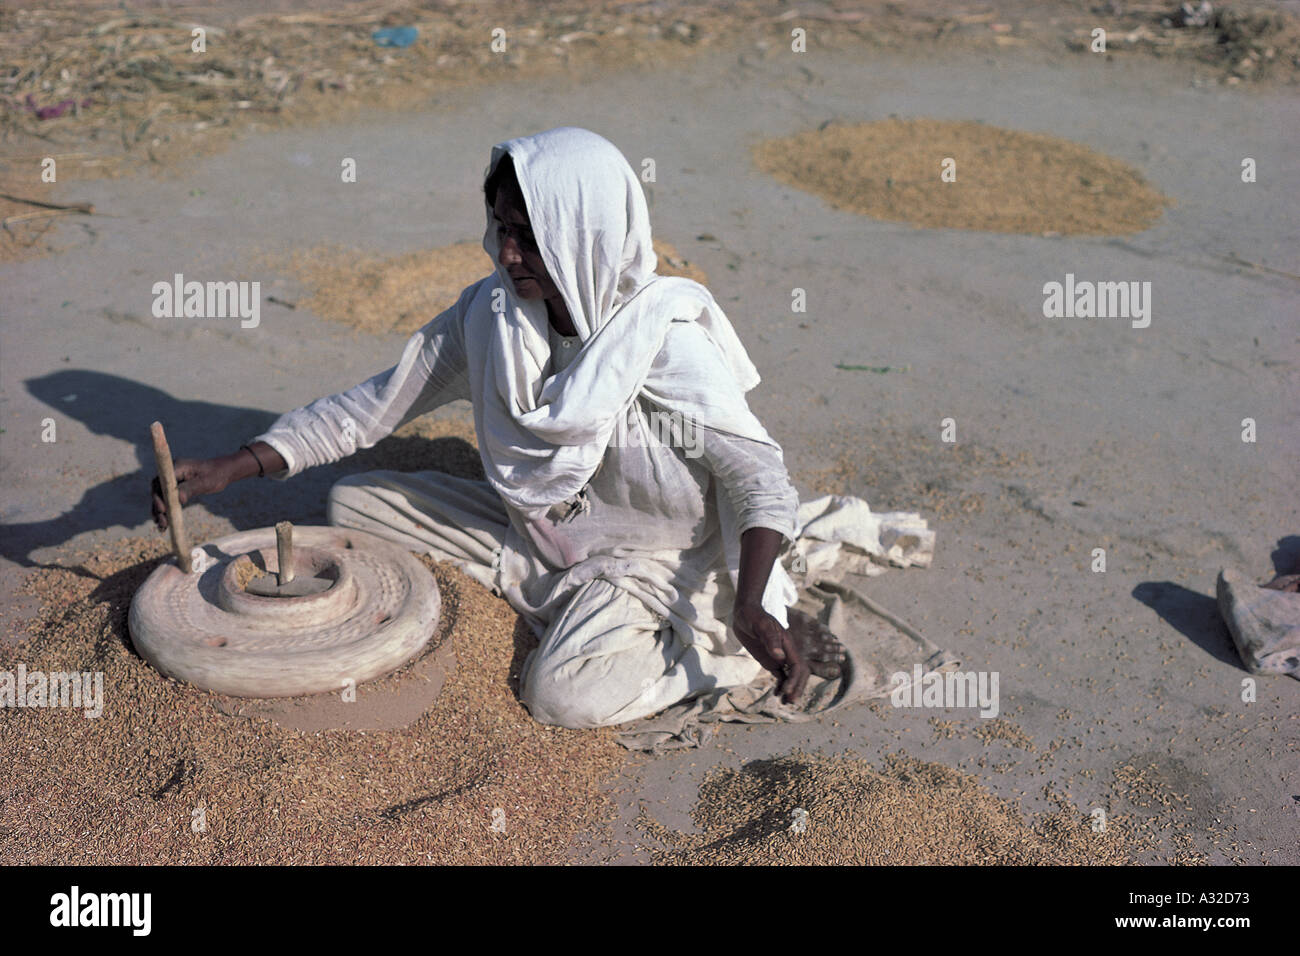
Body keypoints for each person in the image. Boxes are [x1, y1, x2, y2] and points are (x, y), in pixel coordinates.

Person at [151, 126, 846, 729]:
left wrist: (752, 604)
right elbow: (369, 409)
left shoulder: (661, 342)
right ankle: (562, 594)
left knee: (559, 697)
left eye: (528, 238)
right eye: (502, 229)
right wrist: (234, 466)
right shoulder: (492, 318)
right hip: (544, 531)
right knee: (350, 505)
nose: (507, 254)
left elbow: (760, 482)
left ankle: (718, 659)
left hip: (661, 559)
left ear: (584, 234)